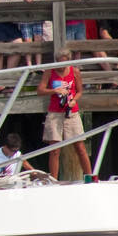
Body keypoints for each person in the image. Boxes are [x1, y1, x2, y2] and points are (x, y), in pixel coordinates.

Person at [37, 51, 93, 180]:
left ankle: (89, 177)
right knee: (55, 150)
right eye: (59, 63)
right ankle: (54, 180)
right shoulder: (49, 72)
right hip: (55, 113)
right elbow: (40, 90)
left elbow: (79, 91)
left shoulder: (75, 71)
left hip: (71, 112)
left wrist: (74, 100)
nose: (61, 66)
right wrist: (54, 90)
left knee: (80, 147)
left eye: (64, 63)